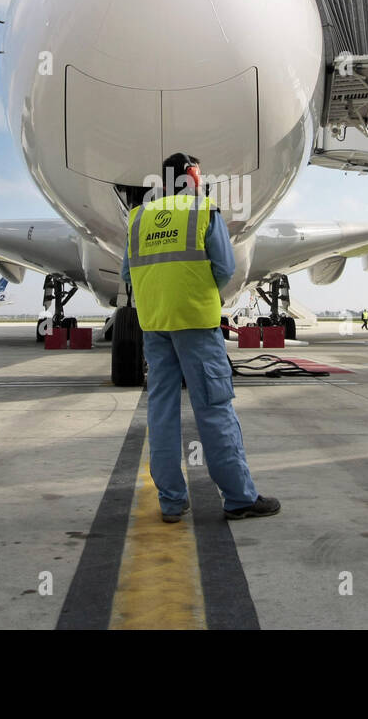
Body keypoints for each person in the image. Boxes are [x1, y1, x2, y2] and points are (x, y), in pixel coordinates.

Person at [122, 151, 279, 523]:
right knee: (213, 408)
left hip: (155, 325)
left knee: (161, 411)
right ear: (193, 177)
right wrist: (196, 291)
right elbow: (225, 268)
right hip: (196, 322)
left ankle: (171, 502)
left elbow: (129, 276)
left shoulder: (138, 218)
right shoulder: (203, 212)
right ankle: (239, 497)